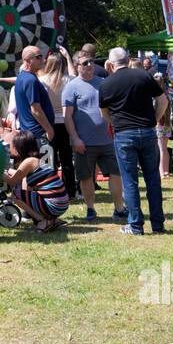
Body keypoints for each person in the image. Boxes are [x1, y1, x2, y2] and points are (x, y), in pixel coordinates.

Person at [99, 47, 167, 235]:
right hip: (146, 131)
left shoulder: (106, 84)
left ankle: (136, 225)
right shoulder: (143, 76)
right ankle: (158, 224)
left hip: (124, 134)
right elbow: (163, 101)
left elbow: (103, 113)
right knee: (153, 179)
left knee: (130, 181)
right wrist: (153, 120)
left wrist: (117, 122)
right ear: (128, 60)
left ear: (111, 64)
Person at [63, 51, 124, 222]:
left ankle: (119, 208)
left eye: (91, 62)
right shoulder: (71, 87)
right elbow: (67, 117)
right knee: (85, 176)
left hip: (108, 140)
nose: (90, 65)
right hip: (84, 143)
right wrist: (75, 138)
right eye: (85, 63)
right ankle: (90, 209)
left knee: (116, 173)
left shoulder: (104, 83)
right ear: (76, 66)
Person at [4, 131, 69, 233]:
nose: (12, 147)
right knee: (26, 193)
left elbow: (13, 181)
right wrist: (6, 170)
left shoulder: (28, 162)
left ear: (20, 147)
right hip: (62, 203)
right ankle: (52, 220)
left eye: (13, 145)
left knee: (15, 195)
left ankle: (42, 221)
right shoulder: (37, 160)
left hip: (55, 206)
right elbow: (19, 174)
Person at [39, 53, 76, 197]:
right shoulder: (69, 80)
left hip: (49, 123)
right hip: (66, 122)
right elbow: (74, 74)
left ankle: (50, 188)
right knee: (67, 158)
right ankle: (70, 191)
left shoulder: (41, 81)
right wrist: (68, 56)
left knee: (48, 158)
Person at [13, 46, 55, 153]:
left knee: (36, 167)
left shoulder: (23, 77)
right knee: (45, 168)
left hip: (31, 134)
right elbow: (35, 110)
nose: (43, 59)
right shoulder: (30, 80)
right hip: (39, 136)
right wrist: (49, 130)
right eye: (38, 57)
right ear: (27, 60)